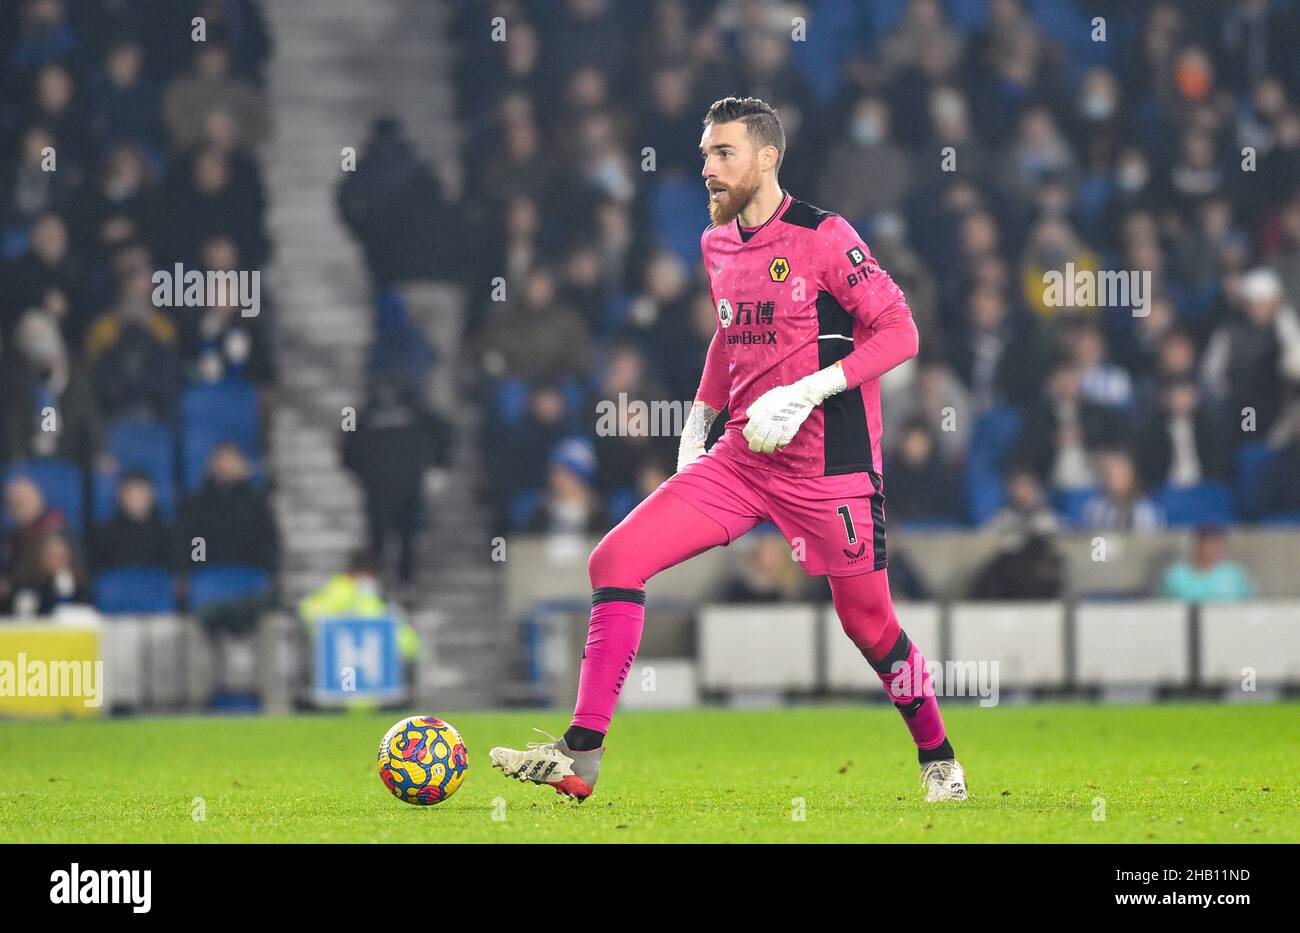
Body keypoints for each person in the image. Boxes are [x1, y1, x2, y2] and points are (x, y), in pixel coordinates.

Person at [491, 97, 967, 803]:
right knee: (615, 558)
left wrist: (808, 391)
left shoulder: (825, 236)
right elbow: (730, 331)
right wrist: (700, 421)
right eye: (706, 153)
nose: (708, 169)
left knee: (869, 623)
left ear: (768, 157)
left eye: (724, 154)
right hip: (744, 461)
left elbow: (900, 332)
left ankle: (940, 760)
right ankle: (582, 753)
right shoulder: (717, 244)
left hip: (829, 469)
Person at [1160, 526, 1256, 602]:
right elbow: (1161, 608)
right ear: (1197, 545)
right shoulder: (1176, 575)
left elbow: (1253, 604)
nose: (1211, 549)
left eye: (1217, 544)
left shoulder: (1234, 574)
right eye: (1207, 543)